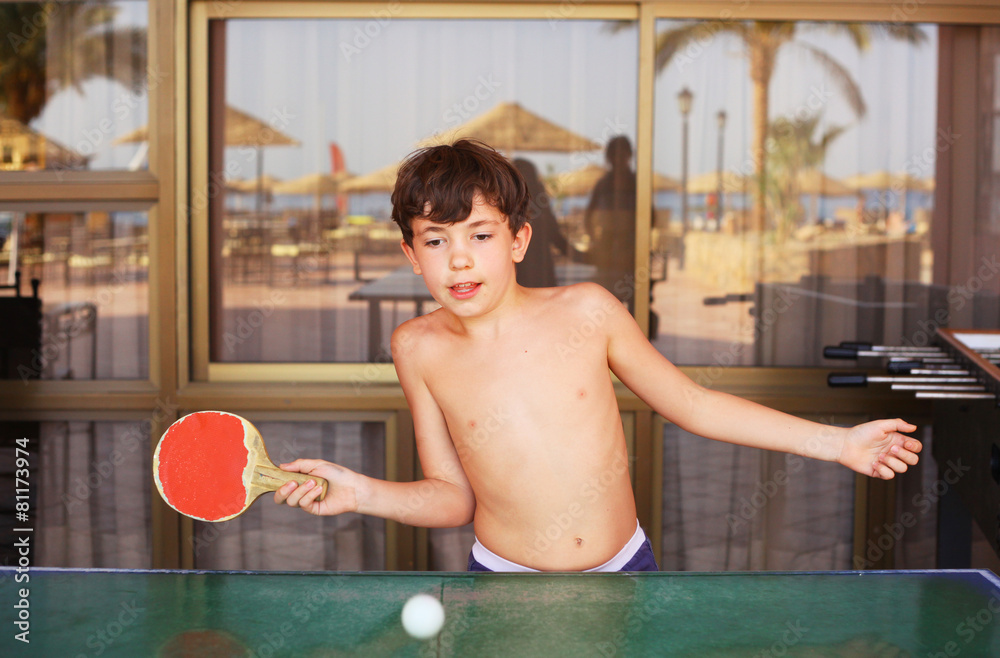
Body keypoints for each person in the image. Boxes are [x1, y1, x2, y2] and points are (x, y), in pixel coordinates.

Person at [275, 139, 921, 573]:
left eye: (480, 234)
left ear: (520, 240)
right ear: (412, 255)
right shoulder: (415, 347)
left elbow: (694, 405)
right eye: (436, 240)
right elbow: (452, 499)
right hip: (502, 581)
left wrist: (837, 445)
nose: (460, 258)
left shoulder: (587, 311)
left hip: (623, 571)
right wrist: (360, 492)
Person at [584, 135, 637, 308]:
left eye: (622, 154)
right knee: (607, 305)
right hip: (609, 250)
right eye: (615, 154)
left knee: (633, 302)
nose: (618, 159)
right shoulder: (604, 184)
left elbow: (649, 218)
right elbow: (588, 216)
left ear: (629, 156)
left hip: (630, 251)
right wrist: (597, 242)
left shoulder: (635, 183)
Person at [512, 158, 570, 288]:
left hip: (525, 273)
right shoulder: (539, 202)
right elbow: (556, 236)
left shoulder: (510, 206)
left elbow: (555, 236)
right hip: (539, 273)